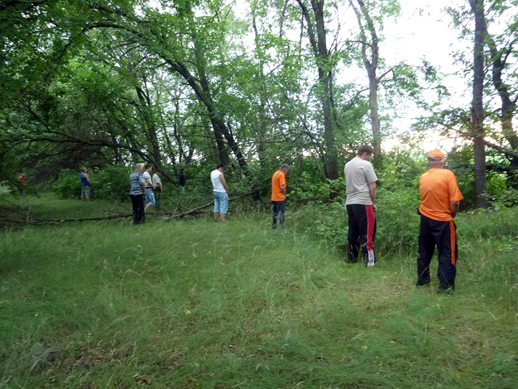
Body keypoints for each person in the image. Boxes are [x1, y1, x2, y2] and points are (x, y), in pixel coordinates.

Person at [416, 149, 463, 293]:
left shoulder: (423, 177)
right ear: (444, 161)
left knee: (424, 250)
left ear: (429, 163)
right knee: (447, 253)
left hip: (425, 218)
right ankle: (445, 286)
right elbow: (454, 202)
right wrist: (451, 216)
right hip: (443, 220)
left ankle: (422, 280)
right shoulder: (448, 175)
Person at [344, 145, 378, 266]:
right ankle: (369, 261)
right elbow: (372, 186)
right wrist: (373, 203)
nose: (369, 159)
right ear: (365, 154)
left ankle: (352, 258)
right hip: (363, 201)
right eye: (369, 156)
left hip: (350, 202)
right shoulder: (366, 165)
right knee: (368, 231)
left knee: (353, 231)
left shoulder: (348, 164)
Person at [271, 164, 290, 229]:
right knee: (281, 214)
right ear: (284, 169)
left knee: (275, 214)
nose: (286, 174)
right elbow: (282, 187)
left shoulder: (275, 174)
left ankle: (274, 227)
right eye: (286, 172)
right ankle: (282, 228)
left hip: (274, 197)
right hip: (279, 197)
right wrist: (284, 194)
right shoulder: (281, 174)